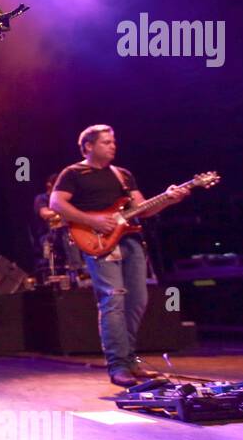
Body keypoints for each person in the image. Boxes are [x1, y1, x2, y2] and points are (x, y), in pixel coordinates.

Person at [49, 125, 187, 388]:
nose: (113, 146)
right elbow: (56, 204)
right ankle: (118, 365)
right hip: (99, 240)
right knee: (113, 299)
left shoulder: (122, 175)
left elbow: (142, 209)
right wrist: (92, 220)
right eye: (106, 142)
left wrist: (169, 199)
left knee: (137, 299)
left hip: (131, 240)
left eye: (114, 142)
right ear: (88, 146)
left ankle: (130, 358)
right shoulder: (74, 173)